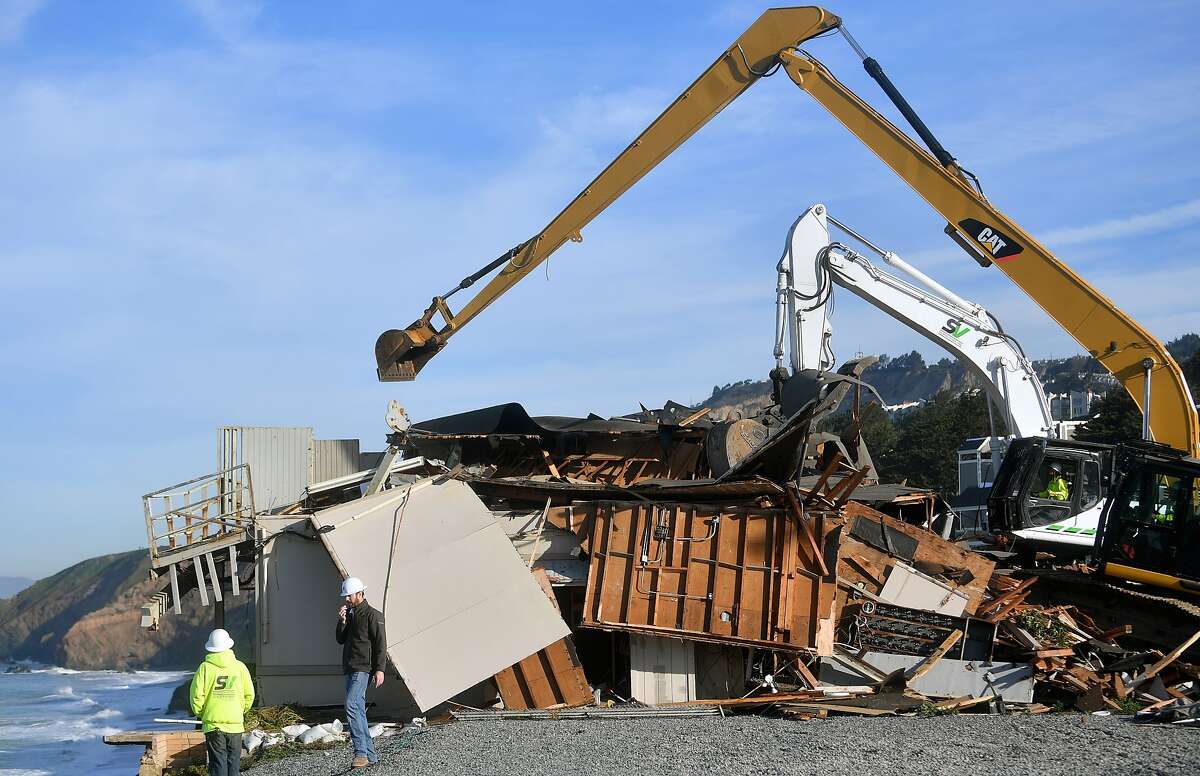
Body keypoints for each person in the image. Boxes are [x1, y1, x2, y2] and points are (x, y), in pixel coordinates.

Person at [335, 576, 387, 768]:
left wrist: (380, 669)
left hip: (363, 668)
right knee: (358, 710)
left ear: (360, 594)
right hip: (349, 668)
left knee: (350, 705)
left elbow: (381, 645)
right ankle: (371, 756)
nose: (347, 599)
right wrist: (342, 621)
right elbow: (340, 639)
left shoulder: (373, 615)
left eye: (349, 596)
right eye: (346, 596)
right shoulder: (349, 614)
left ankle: (361, 753)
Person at [189, 628, 254, 776]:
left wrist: (202, 713)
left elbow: (196, 696)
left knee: (218, 764)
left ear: (211, 648)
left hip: (214, 725)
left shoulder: (204, 668)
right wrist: (239, 711)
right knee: (233, 764)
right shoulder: (240, 667)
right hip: (235, 725)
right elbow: (249, 695)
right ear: (229, 645)